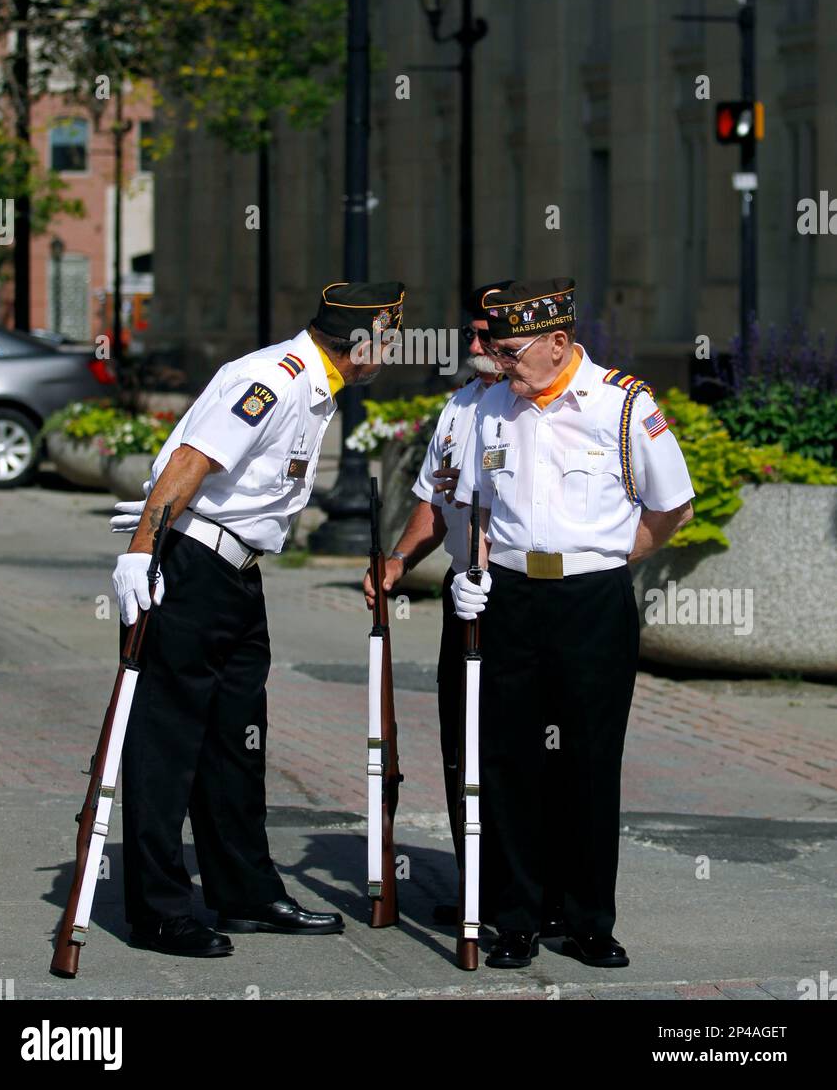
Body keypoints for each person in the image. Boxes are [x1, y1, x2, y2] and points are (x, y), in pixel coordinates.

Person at [111, 281, 405, 958]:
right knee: (167, 741)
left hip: (237, 574)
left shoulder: (316, 386)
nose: (393, 348)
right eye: (387, 336)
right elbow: (190, 461)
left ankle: (243, 890)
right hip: (189, 565)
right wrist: (140, 552)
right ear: (360, 344)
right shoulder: (272, 380)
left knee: (237, 739)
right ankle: (158, 910)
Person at [453, 278, 695, 970]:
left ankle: (589, 919)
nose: (501, 365)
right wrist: (474, 574)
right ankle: (517, 917)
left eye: (512, 352)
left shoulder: (623, 406)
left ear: (559, 342)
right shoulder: (491, 407)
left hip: (590, 600)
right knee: (507, 758)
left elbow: (672, 506)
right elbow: (477, 507)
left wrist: (613, 561)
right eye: (496, 351)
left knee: (589, 759)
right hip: (509, 596)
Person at [361, 282, 510, 925]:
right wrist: (400, 559)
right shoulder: (459, 407)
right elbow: (434, 500)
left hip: (519, 593)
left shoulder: (536, 407)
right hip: (462, 591)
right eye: (470, 335)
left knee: (529, 747)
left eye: (486, 335)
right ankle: (479, 882)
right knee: (464, 742)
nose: (474, 347)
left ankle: (540, 894)